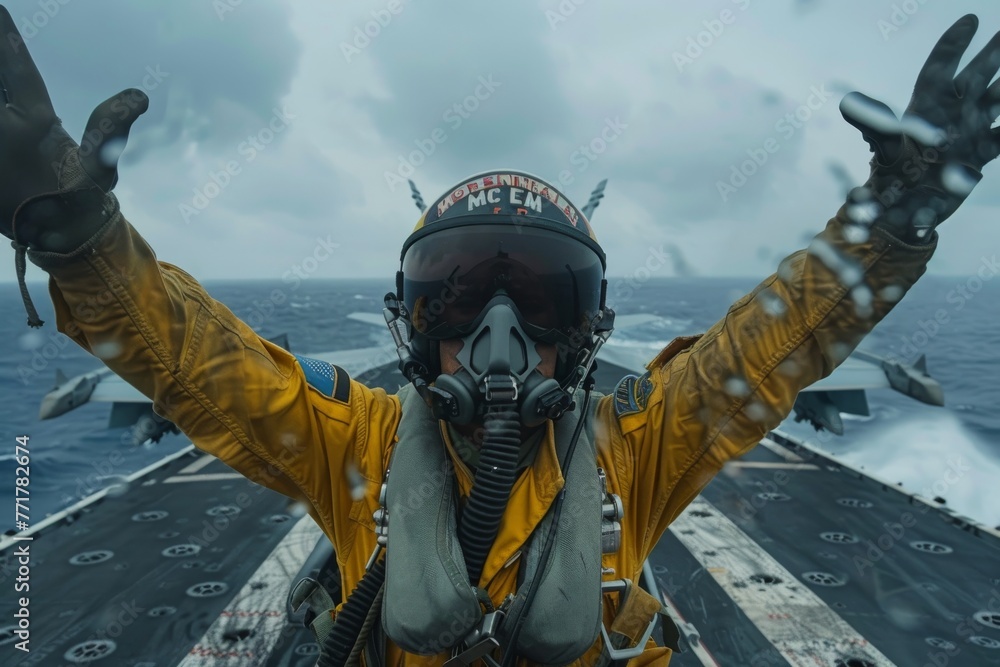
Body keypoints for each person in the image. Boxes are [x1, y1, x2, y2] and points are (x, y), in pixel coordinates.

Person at [1, 4, 997, 664]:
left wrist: (891, 219)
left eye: (544, 300)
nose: (500, 334)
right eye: (459, 293)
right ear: (411, 322)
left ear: (588, 330)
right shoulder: (355, 447)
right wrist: (85, 243)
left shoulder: (636, 446)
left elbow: (769, 347)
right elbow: (194, 359)